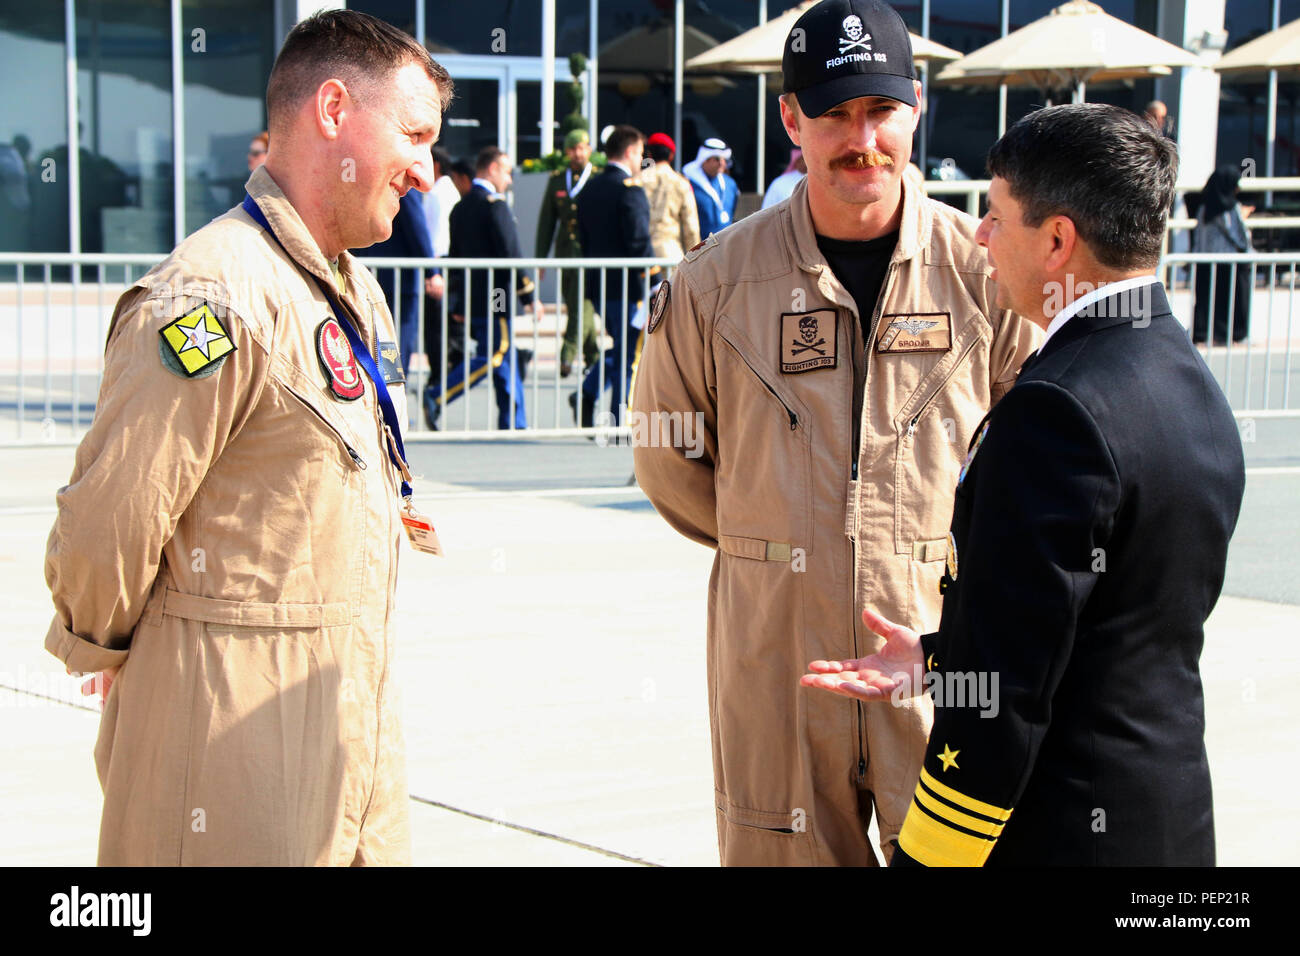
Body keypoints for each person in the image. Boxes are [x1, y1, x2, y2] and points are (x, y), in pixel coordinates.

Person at [632, 0, 1039, 867]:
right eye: (834, 113)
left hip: (938, 653)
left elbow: (1035, 454)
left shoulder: (987, 275)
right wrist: (780, 540)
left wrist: (918, 557)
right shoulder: (711, 287)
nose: (862, 138)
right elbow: (668, 460)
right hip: (775, 658)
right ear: (791, 119)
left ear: (916, 106)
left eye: (881, 110)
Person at [43, 9, 452, 865]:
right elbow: (115, 512)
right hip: (229, 740)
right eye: (413, 134)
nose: (425, 168)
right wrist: (104, 644)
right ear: (333, 110)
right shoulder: (213, 296)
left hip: (350, 727)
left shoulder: (346, 289)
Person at [803, 103, 1246, 866]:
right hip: (1166, 822)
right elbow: (1107, 625)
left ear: (1057, 240)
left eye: (997, 214)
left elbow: (1005, 698)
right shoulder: (1183, 375)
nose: (979, 233)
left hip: (1063, 831)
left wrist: (928, 860)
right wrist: (941, 658)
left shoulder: (1056, 411)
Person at [424, 145, 541, 430]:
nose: (510, 180)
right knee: (496, 353)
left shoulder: (461, 208)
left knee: (506, 357)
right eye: (507, 172)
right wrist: (528, 295)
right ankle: (437, 395)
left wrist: (461, 303)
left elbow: (458, 260)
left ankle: (514, 421)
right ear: (493, 169)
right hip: (496, 294)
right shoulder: (495, 205)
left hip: (475, 296)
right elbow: (511, 254)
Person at [571, 124, 656, 429]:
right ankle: (622, 421)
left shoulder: (590, 188)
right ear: (631, 151)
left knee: (622, 348)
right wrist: (655, 280)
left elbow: (582, 236)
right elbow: (638, 242)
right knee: (630, 357)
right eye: (641, 153)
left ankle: (589, 390)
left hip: (600, 285)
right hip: (629, 286)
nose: (642, 159)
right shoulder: (629, 188)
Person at [535, 129, 600, 377]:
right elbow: (546, 222)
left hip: (588, 252)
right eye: (572, 149)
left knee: (579, 303)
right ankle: (594, 356)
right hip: (565, 252)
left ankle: (567, 354)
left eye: (581, 148)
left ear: (589, 150)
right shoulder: (557, 179)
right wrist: (541, 259)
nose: (577, 153)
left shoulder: (596, 177)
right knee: (574, 305)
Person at [352, 187, 437, 375]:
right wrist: (432, 272)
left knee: (374, 346)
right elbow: (416, 228)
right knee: (396, 350)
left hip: (370, 275)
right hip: (399, 282)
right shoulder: (403, 186)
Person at [1192, 164, 1253, 345]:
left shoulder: (1204, 207)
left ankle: (1202, 333)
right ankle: (1226, 334)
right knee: (1228, 300)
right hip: (1228, 261)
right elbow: (1238, 235)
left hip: (1204, 260)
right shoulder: (1230, 208)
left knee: (1205, 299)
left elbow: (1197, 236)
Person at [639, 131, 701, 261]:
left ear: (649, 154)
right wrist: (695, 259)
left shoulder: (636, 180)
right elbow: (691, 228)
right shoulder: (681, 183)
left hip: (641, 255)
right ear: (671, 156)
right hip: (671, 255)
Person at [683, 137, 739, 238]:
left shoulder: (730, 184)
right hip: (699, 246)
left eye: (724, 159)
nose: (722, 163)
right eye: (717, 159)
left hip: (726, 244)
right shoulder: (688, 182)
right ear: (704, 160)